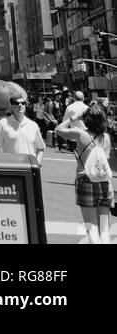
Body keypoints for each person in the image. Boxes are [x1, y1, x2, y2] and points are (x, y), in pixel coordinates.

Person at [56, 102, 114, 243]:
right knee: (104, 228)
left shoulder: (81, 135)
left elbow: (58, 129)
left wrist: (74, 118)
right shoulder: (106, 138)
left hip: (85, 179)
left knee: (92, 227)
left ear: (87, 119)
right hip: (104, 182)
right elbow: (104, 162)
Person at [0, 96, 45, 167]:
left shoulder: (33, 125)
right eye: (16, 103)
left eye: (23, 103)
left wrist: (37, 164)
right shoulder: (3, 123)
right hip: (10, 168)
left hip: (28, 168)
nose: (20, 105)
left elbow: (40, 147)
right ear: (11, 106)